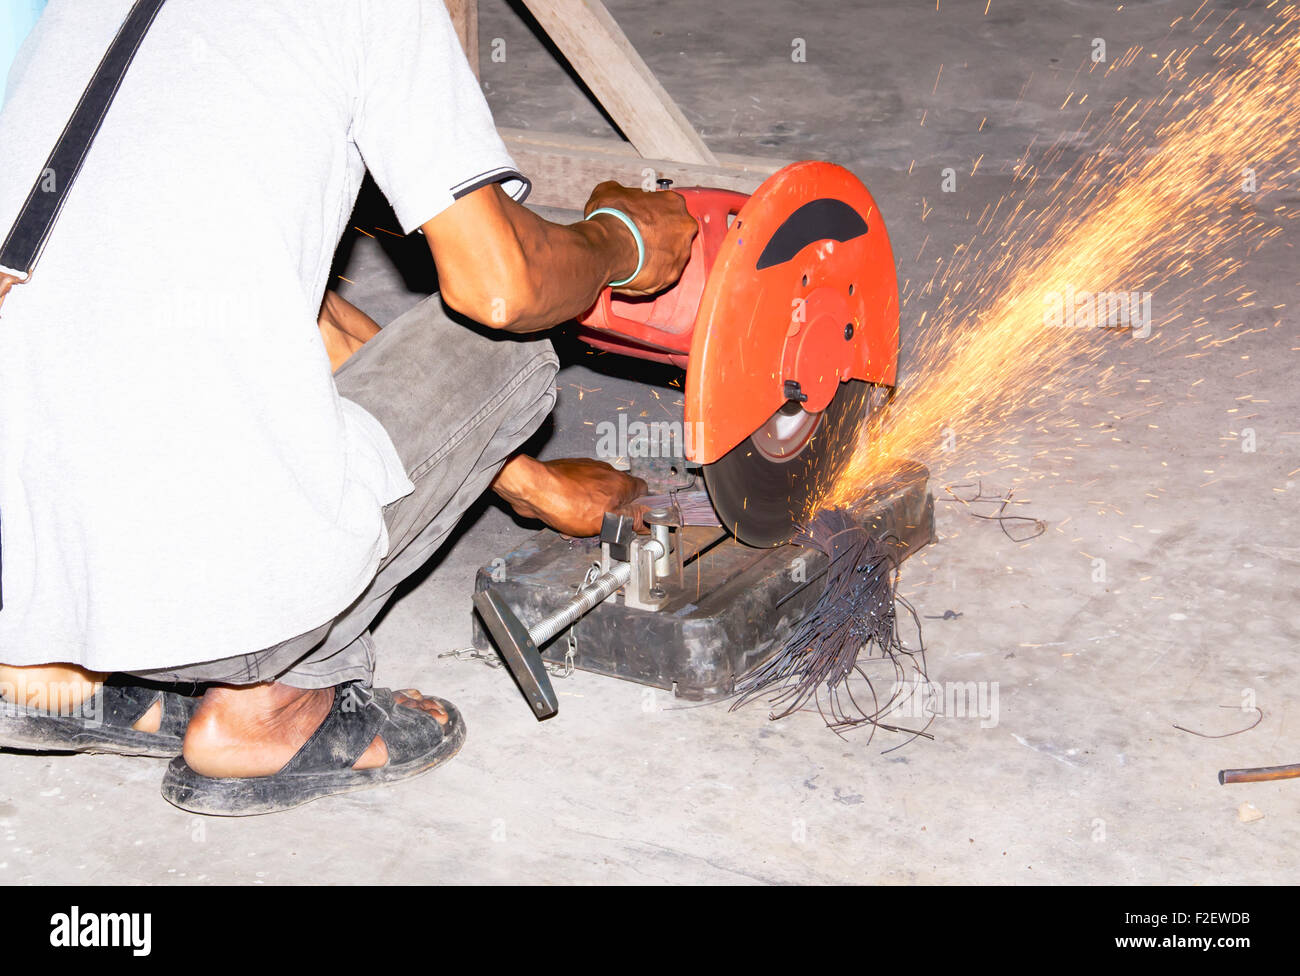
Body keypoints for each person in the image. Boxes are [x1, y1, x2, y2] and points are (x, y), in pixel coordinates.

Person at [0, 0, 696, 815]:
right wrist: (623, 240)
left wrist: (533, 486)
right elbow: (502, 285)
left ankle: (41, 672)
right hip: (210, 571)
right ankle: (270, 707)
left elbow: (257, 309)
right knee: (499, 349)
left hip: (20, 575)